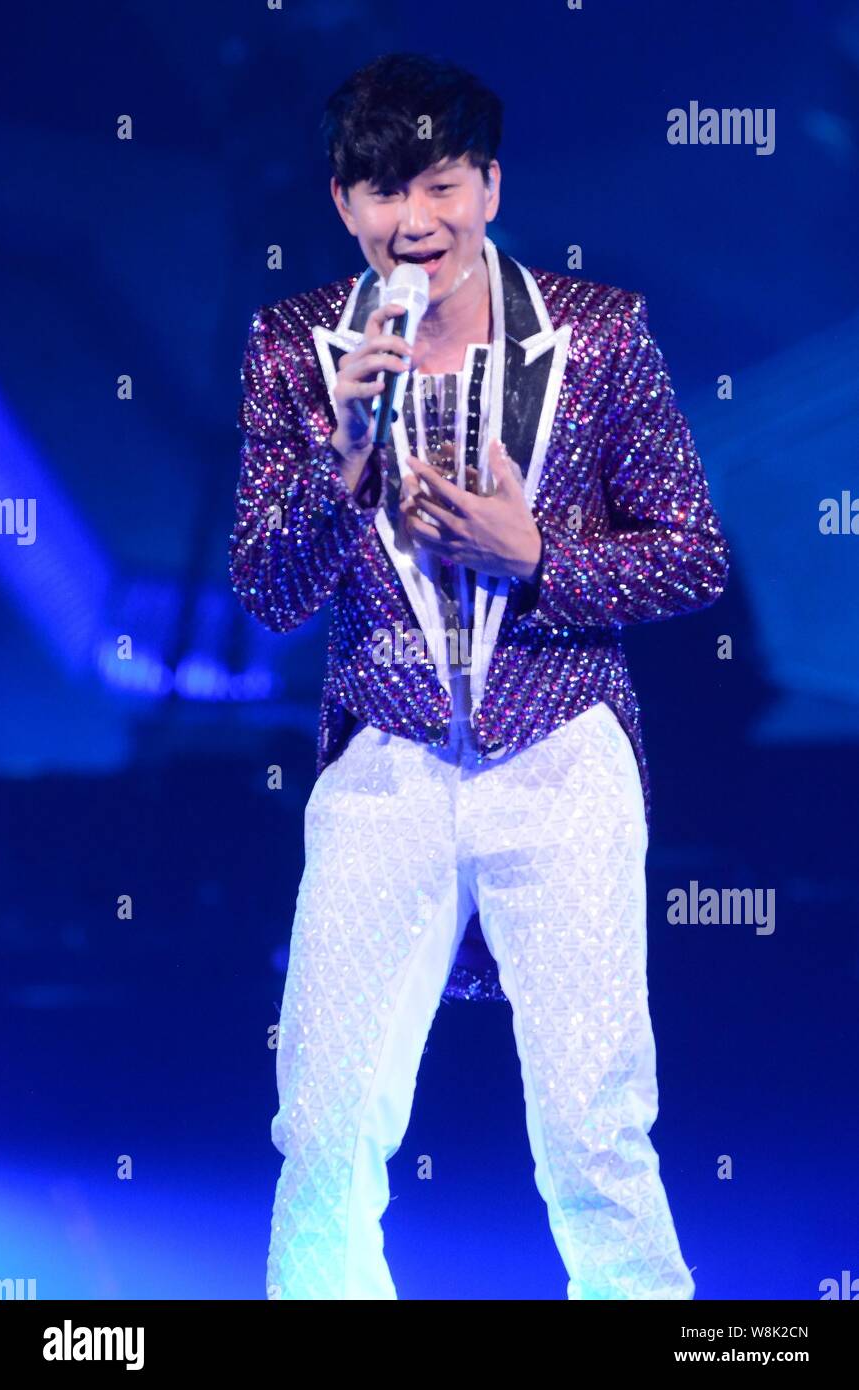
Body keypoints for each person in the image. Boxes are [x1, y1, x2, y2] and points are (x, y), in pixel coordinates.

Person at [228, 51, 729, 1301]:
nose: (417, 224)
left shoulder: (597, 332)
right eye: (384, 192)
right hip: (386, 756)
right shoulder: (296, 349)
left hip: (558, 752)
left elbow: (692, 559)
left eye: (441, 184)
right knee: (327, 1131)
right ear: (342, 203)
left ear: (490, 185)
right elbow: (271, 592)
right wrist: (341, 458)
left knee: (591, 1131)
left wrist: (538, 555)